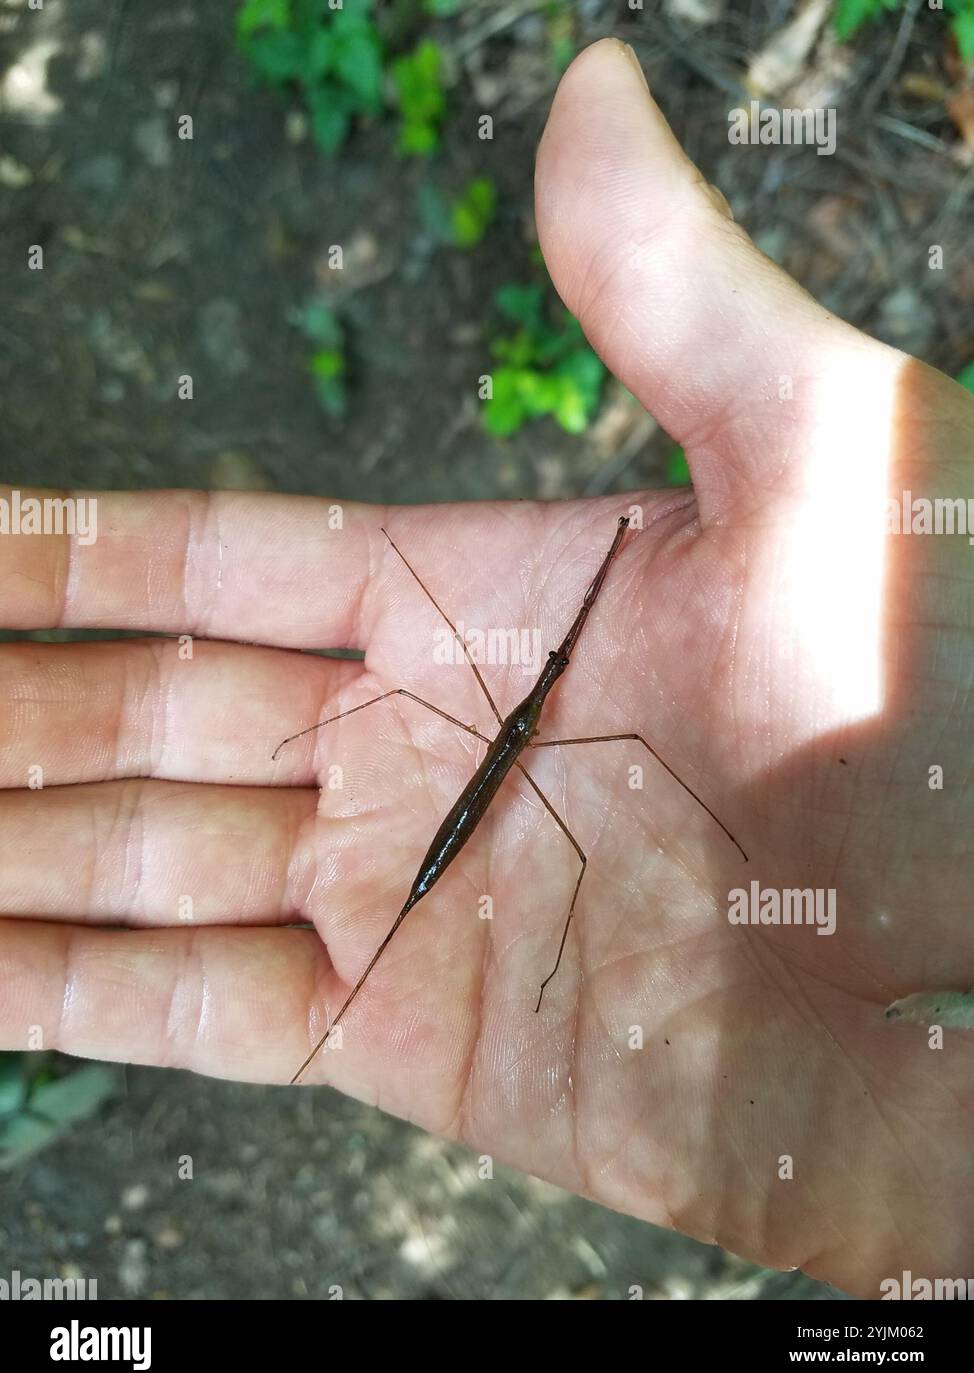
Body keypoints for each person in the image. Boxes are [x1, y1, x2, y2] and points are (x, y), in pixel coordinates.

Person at [1, 39, 971, 1299]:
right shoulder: (516, 711)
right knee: (522, 784)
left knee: (554, 805)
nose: (560, 665)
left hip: (475, 810)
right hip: (465, 813)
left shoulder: (561, 725)